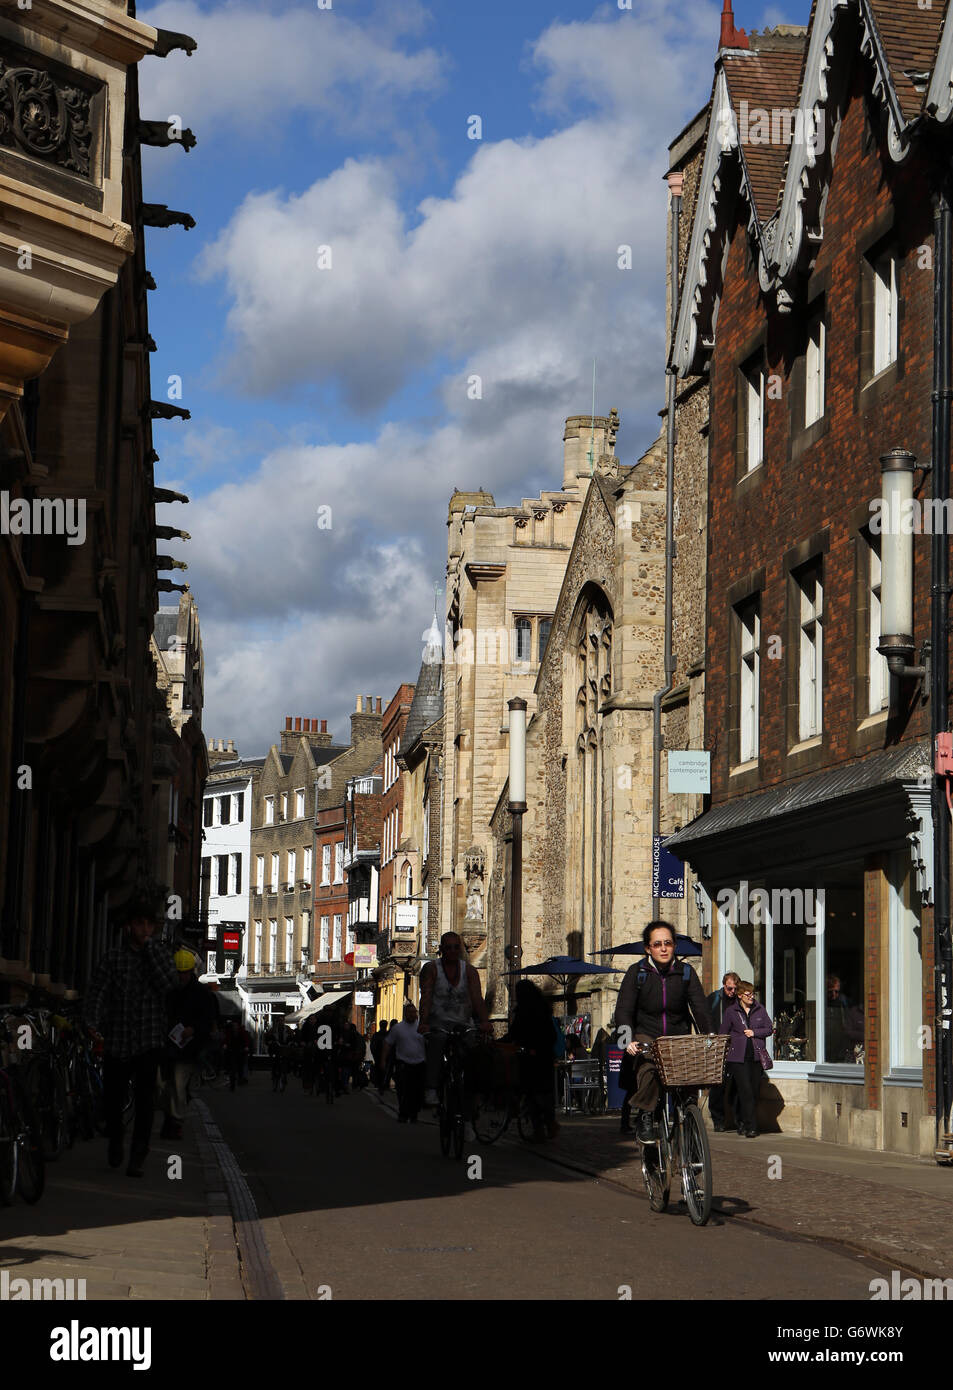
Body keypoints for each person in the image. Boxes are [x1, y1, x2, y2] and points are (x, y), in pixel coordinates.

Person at [84, 899, 179, 1177]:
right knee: (113, 1098)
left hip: (149, 1040)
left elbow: (168, 984)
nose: (144, 929)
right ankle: (116, 1138)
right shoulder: (113, 958)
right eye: (140, 923)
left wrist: (149, 948)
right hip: (118, 1038)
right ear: (129, 926)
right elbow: (98, 991)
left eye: (149, 924)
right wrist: (91, 1020)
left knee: (145, 1099)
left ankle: (139, 1152)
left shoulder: (159, 955)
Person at [614, 920, 713, 1143]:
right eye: (657, 944)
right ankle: (646, 1115)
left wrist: (711, 1036)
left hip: (678, 1036)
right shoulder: (637, 973)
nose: (663, 948)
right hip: (646, 1034)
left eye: (668, 943)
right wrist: (627, 1040)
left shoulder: (685, 973)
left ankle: (690, 1132)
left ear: (674, 945)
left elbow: (701, 1008)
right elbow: (623, 1010)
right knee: (649, 1067)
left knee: (688, 1079)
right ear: (648, 948)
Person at [418, 931, 493, 1105]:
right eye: (448, 947)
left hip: (463, 1023)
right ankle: (431, 1088)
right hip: (439, 1022)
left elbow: (476, 998)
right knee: (436, 1043)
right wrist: (423, 1022)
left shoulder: (469, 971)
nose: (452, 951)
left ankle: (475, 1091)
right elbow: (427, 997)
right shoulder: (432, 969)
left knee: (474, 1051)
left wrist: (484, 1021)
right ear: (442, 949)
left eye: (456, 947)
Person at [160, 949, 220, 1139]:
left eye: (183, 972)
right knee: (164, 1085)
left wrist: (193, 1030)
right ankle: (170, 1117)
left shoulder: (201, 994)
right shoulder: (169, 991)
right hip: (167, 1046)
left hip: (188, 1049)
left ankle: (175, 1122)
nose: (180, 976)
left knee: (178, 1085)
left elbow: (209, 1020)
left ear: (191, 971)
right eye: (178, 972)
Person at [505, 980, 559, 1142]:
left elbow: (515, 1033)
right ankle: (549, 1124)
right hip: (544, 1057)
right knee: (543, 1094)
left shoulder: (524, 1011)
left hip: (531, 1059)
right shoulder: (543, 1008)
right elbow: (551, 1035)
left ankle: (541, 1129)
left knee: (533, 1094)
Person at [720, 980, 773, 1137]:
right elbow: (723, 1033)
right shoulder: (731, 1011)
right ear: (740, 995)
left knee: (753, 1092)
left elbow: (769, 1028)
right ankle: (751, 1127)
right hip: (738, 1059)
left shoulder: (760, 1009)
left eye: (753, 994)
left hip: (756, 1057)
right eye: (748, 994)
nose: (751, 997)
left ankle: (742, 1121)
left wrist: (755, 1032)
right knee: (746, 1091)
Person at [706, 971, 741, 1131]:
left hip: (736, 1046)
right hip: (718, 1046)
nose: (732, 992)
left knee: (738, 1085)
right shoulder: (714, 999)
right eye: (729, 989)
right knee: (717, 1086)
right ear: (723, 986)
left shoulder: (740, 1001)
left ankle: (739, 1121)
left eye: (735, 989)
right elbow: (705, 1019)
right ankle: (718, 1121)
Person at [383, 1002, 427, 1122]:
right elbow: (388, 1043)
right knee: (403, 1090)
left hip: (419, 1063)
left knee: (417, 1091)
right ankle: (403, 1113)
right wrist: (383, 1060)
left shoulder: (421, 1027)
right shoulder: (398, 1028)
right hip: (403, 1063)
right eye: (410, 1012)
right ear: (405, 1014)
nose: (412, 1015)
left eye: (414, 1012)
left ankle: (414, 1114)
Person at [371, 1020, 389, 1091]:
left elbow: (372, 1046)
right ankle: (384, 1084)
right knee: (385, 1070)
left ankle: (379, 1083)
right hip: (384, 1056)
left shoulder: (376, 1035)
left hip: (378, 1055)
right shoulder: (388, 1035)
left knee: (378, 1070)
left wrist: (374, 1054)